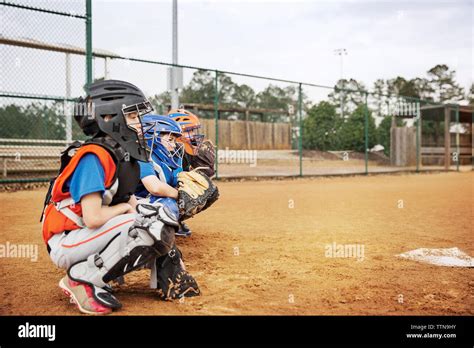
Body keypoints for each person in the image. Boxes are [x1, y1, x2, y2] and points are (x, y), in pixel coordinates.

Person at [41, 80, 199, 315]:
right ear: (109, 117)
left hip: (87, 233)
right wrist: (125, 208)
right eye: (133, 116)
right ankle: (81, 278)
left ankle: (165, 275)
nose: (141, 123)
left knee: (155, 217)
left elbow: (136, 208)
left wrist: (167, 251)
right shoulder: (94, 156)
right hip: (66, 240)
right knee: (147, 225)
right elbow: (93, 217)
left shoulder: (122, 156)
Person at [135, 114, 193, 237]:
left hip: (145, 204)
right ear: (152, 137)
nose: (173, 146)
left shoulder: (166, 160)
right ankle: (152, 236)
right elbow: (155, 188)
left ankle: (170, 225)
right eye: (170, 140)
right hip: (132, 206)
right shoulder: (142, 155)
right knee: (167, 203)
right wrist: (181, 196)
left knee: (174, 200)